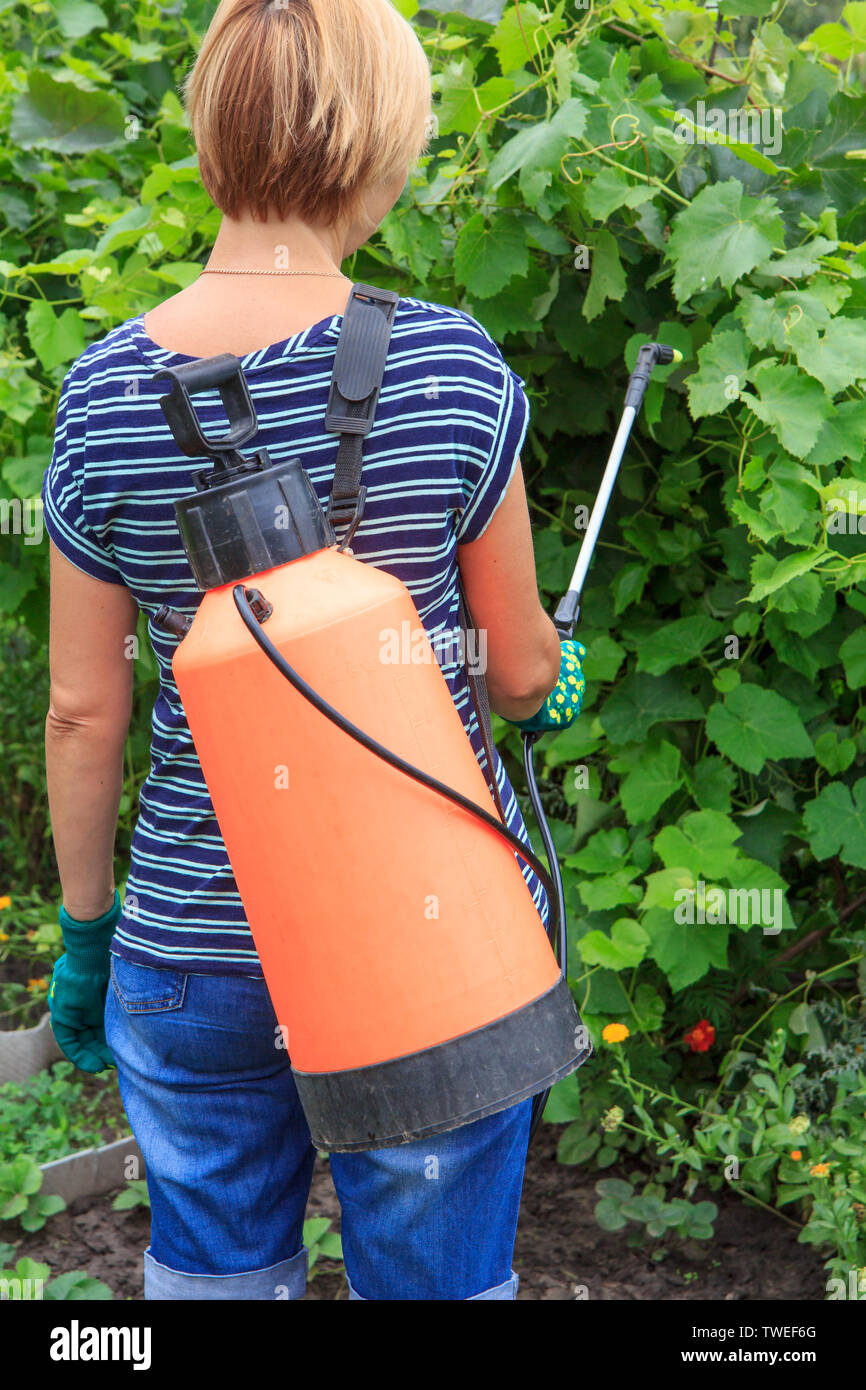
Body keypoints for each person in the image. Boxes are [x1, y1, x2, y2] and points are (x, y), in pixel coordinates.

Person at [42, 0, 585, 1301]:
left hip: (194, 949)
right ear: (379, 147)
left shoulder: (104, 395)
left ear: (211, 133)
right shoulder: (454, 370)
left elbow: (80, 708)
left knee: (214, 1284)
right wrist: (549, 675)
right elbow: (515, 672)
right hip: (429, 940)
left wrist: (86, 933)